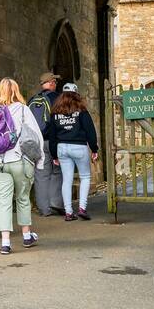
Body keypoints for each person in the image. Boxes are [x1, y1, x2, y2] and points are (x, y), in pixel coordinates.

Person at [0, 78, 45, 255]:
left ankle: (5, 242)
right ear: (16, 91)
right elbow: (36, 136)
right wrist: (40, 161)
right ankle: (26, 236)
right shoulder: (23, 110)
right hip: (19, 161)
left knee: (3, 202)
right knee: (23, 198)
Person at [47, 82, 99, 221]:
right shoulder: (82, 111)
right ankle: (82, 208)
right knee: (85, 177)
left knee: (67, 180)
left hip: (62, 147)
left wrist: (54, 154)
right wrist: (94, 148)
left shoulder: (55, 112)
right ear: (77, 95)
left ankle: (69, 212)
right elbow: (90, 131)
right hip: (79, 146)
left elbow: (52, 135)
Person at [28, 72, 65, 218]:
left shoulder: (32, 99)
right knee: (57, 171)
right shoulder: (56, 98)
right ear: (50, 83)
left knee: (41, 174)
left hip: (37, 142)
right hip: (53, 141)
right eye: (55, 82)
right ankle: (56, 202)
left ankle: (44, 209)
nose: (56, 84)